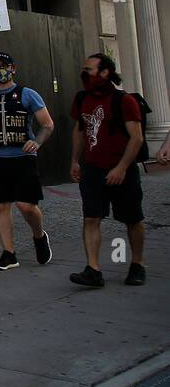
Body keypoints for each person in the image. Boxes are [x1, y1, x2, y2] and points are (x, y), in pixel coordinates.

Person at [0, 51, 55, 271]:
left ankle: (39, 234)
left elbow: (47, 124)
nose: (0, 69)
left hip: (23, 158)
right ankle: (9, 253)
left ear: (13, 69)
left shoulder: (27, 94)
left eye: (4, 65)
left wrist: (38, 142)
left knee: (27, 206)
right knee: (1, 205)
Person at [69, 53, 146, 287]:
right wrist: (75, 160)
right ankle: (93, 269)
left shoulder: (124, 101)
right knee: (91, 217)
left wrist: (121, 167)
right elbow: (79, 131)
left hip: (121, 169)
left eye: (89, 70)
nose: (85, 74)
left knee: (132, 219)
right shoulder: (82, 98)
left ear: (105, 72)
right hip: (93, 170)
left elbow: (137, 138)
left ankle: (137, 264)